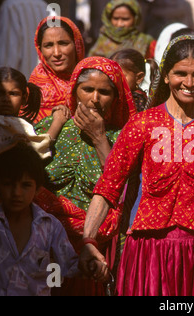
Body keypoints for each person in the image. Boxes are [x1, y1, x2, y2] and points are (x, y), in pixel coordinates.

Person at [78, 35, 194, 296]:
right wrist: (88, 239)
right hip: (147, 253)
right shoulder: (141, 124)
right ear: (166, 76)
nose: (189, 83)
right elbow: (108, 186)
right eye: (180, 74)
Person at [33, 56, 137, 296]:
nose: (95, 99)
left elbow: (123, 189)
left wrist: (100, 138)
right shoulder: (52, 128)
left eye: (104, 92)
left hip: (97, 246)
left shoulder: (125, 136)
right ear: (74, 91)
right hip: (47, 242)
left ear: (117, 97)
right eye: (87, 89)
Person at [0, 143, 80, 296]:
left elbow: (70, 267)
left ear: (38, 188)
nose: (17, 193)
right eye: (8, 184)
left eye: (26, 185)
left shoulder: (50, 226)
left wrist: (92, 265)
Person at [0, 67, 52, 164]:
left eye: (13, 94)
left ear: (24, 98)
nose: (6, 99)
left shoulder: (18, 122)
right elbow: (37, 151)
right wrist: (57, 122)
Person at [29, 16, 85, 123]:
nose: (56, 53)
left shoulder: (91, 81)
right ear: (40, 49)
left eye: (63, 43)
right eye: (48, 45)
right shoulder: (32, 89)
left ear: (76, 44)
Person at [0, 0, 47, 79]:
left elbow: (8, 60)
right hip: (41, 84)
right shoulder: (43, 6)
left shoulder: (10, 6)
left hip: (21, 85)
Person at [88, 0, 155, 59]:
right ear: (108, 19)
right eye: (116, 18)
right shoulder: (101, 42)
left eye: (125, 19)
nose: (120, 24)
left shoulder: (146, 42)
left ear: (135, 19)